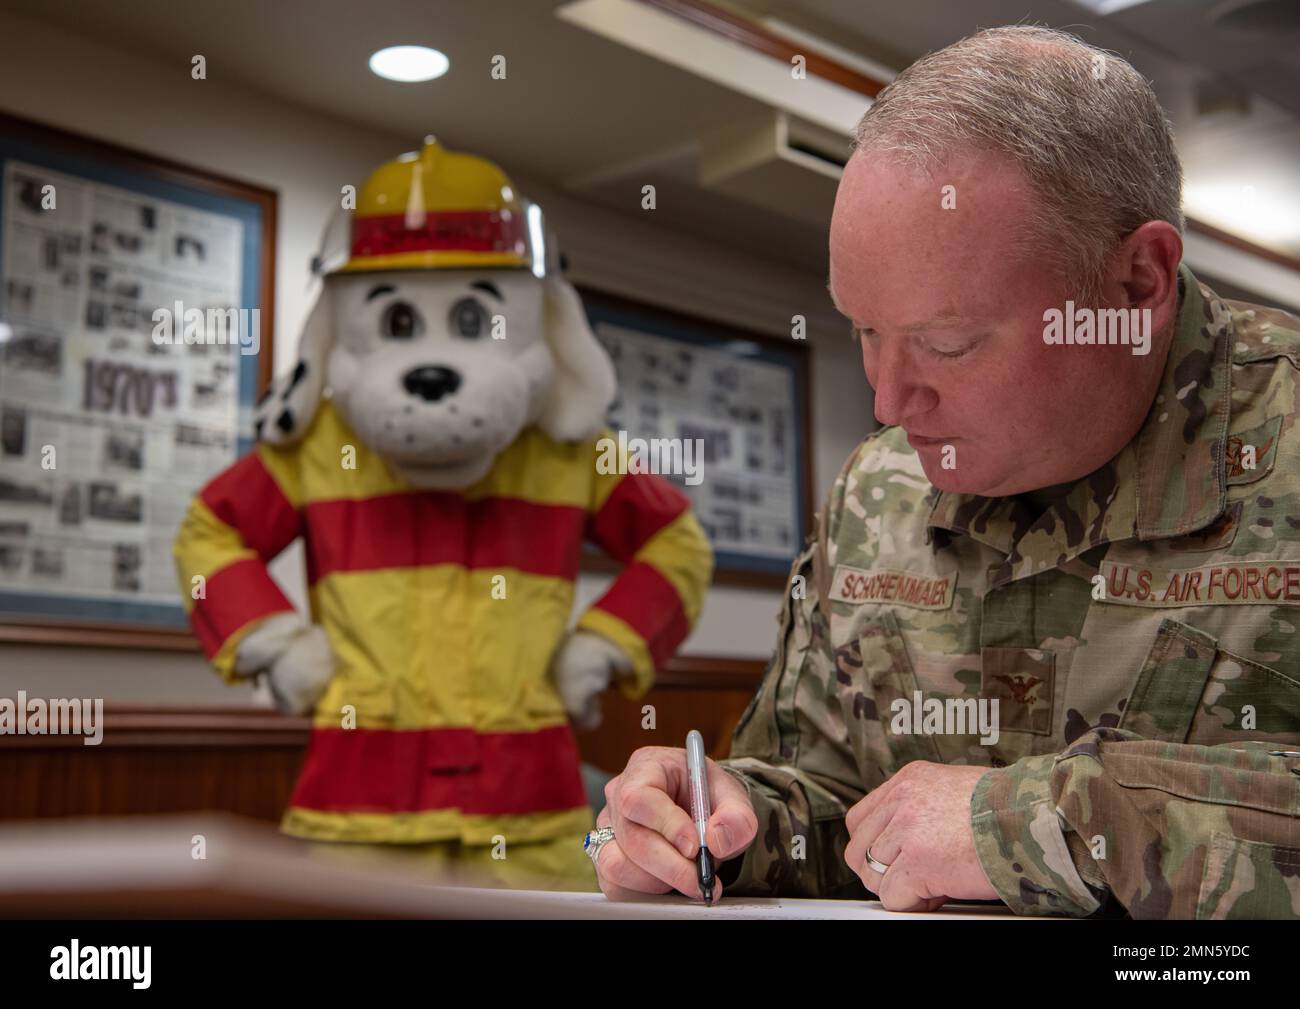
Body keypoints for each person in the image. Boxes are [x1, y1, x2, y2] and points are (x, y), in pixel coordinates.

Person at [588, 25, 1300, 919]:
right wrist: (726, 820)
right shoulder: (876, 491)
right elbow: (835, 800)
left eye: (947, 343)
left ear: (1136, 284)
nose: (888, 403)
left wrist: (1037, 823)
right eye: (864, 331)